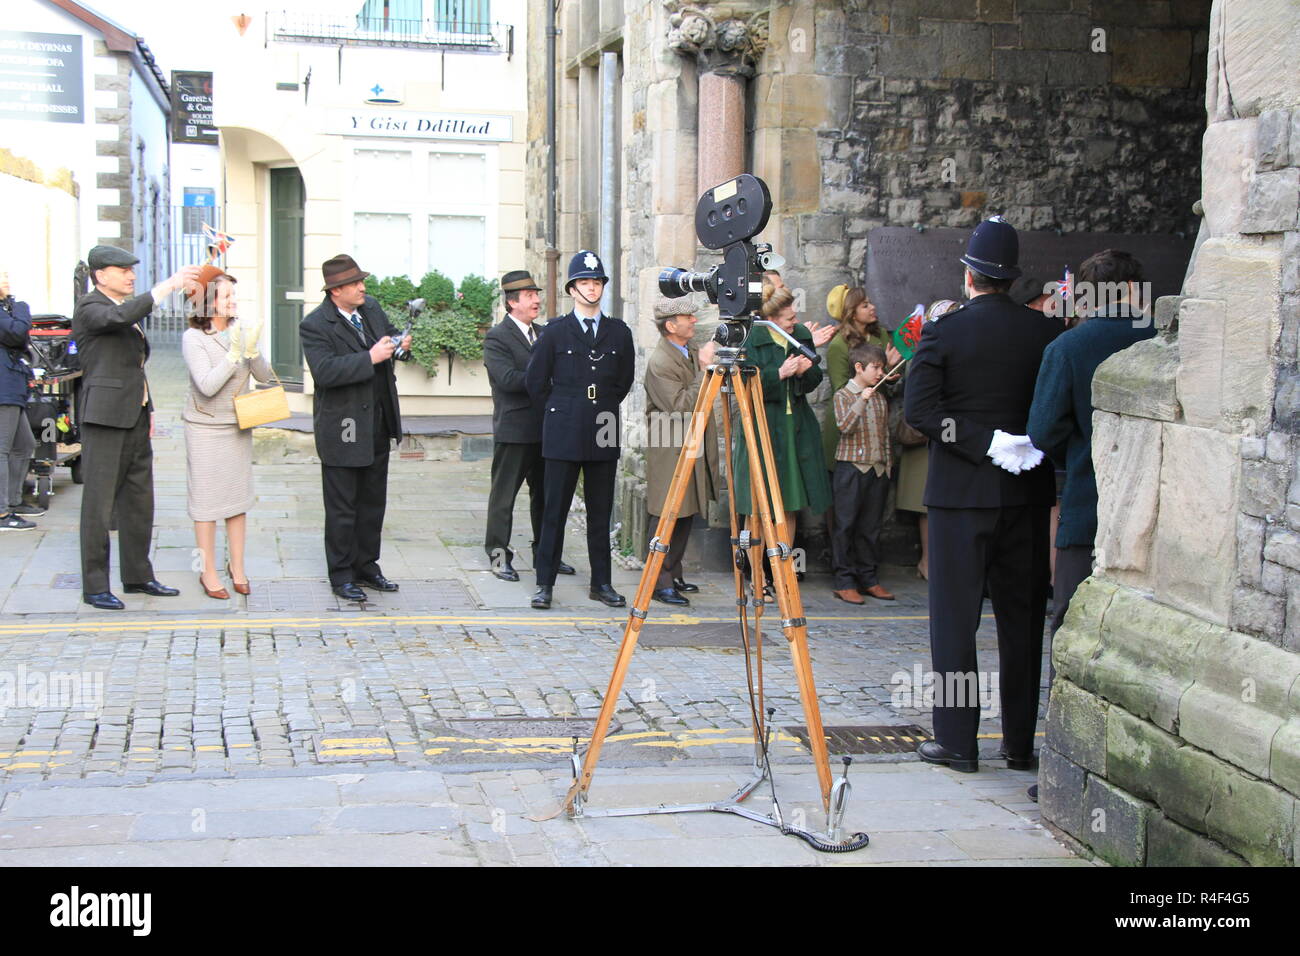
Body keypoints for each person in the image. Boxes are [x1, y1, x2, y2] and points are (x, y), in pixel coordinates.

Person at [903, 216, 1062, 773]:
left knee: (955, 620)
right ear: (1012, 279)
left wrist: (976, 440)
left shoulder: (945, 331)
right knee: (1022, 621)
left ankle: (957, 741)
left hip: (959, 493)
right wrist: (1021, 443)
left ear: (969, 275)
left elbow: (920, 413)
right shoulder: (1045, 333)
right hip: (1026, 491)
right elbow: (1056, 413)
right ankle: (1019, 743)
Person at [1028, 249, 1154, 642]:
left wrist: (1078, 449)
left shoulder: (1067, 347)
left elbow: (1043, 431)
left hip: (1087, 500)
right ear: (1132, 288)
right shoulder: (1157, 339)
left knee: (1072, 624)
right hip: (1153, 508)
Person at [73, 246, 200, 610]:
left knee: (138, 501)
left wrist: (149, 407)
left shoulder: (123, 311)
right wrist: (167, 286)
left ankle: (138, 575)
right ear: (101, 275)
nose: (131, 275)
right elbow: (116, 318)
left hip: (135, 414)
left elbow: (134, 365)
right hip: (104, 417)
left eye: (132, 270)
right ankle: (95, 585)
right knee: (98, 505)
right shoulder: (90, 306)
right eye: (123, 270)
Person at [525, 251, 635, 610]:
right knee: (554, 510)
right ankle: (545, 583)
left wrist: (597, 407)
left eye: (597, 281)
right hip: (564, 429)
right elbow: (536, 382)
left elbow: (623, 382)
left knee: (600, 513)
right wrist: (562, 413)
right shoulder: (556, 332)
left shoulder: (619, 332)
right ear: (573, 289)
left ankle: (601, 583)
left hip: (602, 428)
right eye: (585, 282)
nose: (592, 287)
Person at [299, 254, 412, 602]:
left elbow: (389, 339)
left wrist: (401, 346)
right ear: (336, 291)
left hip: (378, 420)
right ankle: (342, 574)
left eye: (362, 281)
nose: (363, 287)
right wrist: (370, 358)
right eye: (354, 283)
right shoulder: (315, 325)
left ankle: (367, 566)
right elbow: (326, 372)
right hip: (343, 426)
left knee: (372, 502)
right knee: (343, 506)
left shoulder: (371, 308)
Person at [181, 265, 273, 599]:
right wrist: (234, 354)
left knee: (236, 501)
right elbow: (206, 386)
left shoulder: (243, 328)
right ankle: (207, 572)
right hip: (205, 429)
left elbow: (263, 376)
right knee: (206, 503)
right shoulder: (193, 338)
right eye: (227, 296)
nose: (234, 301)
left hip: (237, 426)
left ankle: (238, 567)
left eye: (235, 294)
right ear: (207, 301)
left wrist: (253, 350)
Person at [731, 284, 836, 562]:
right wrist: (777, 374)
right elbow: (741, 384)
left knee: (788, 503)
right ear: (772, 320)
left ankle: (783, 574)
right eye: (789, 318)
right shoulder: (751, 338)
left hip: (794, 428)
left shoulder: (800, 336)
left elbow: (813, 382)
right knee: (757, 505)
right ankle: (757, 579)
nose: (796, 322)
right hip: (762, 427)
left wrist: (804, 372)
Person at [481, 269, 573, 582]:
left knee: (546, 496)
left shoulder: (544, 332)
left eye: (536, 295)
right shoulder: (497, 337)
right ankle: (497, 556)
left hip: (546, 428)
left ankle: (544, 554)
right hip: (515, 429)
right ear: (513, 302)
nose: (536, 300)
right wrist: (545, 377)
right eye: (530, 296)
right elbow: (507, 380)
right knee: (503, 496)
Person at [643, 296, 719, 606]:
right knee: (666, 514)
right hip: (670, 446)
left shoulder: (682, 351)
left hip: (685, 443)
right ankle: (657, 581)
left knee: (685, 512)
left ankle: (672, 571)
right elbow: (679, 407)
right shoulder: (661, 361)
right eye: (688, 318)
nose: (694, 321)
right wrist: (705, 369)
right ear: (671, 326)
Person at [895, 298, 961, 580]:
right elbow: (918, 402)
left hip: (955, 436)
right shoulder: (925, 352)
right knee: (927, 506)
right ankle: (928, 561)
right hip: (929, 437)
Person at [830, 344, 895, 604]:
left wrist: (887, 464)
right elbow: (844, 426)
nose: (880, 373)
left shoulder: (880, 397)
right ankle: (844, 581)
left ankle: (869, 578)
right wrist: (861, 400)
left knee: (871, 527)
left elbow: (885, 434)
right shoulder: (844, 395)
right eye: (875, 368)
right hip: (850, 469)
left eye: (882, 368)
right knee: (845, 526)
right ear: (859, 368)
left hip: (877, 469)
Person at [820, 287, 901, 473]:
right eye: (865, 305)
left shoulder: (879, 335)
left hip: (875, 425)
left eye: (870, 303)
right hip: (851, 425)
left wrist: (888, 375)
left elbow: (887, 371)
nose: (872, 307)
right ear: (852, 313)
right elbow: (840, 387)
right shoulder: (839, 345)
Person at [0, 272, 41, 531]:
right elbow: (16, 333)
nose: (6, 280)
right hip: (3, 386)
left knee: (23, 444)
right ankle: (3, 513)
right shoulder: (12, 309)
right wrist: (22, 309)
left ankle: (13, 501)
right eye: (1, 277)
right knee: (2, 448)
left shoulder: (7, 308)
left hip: (12, 384)